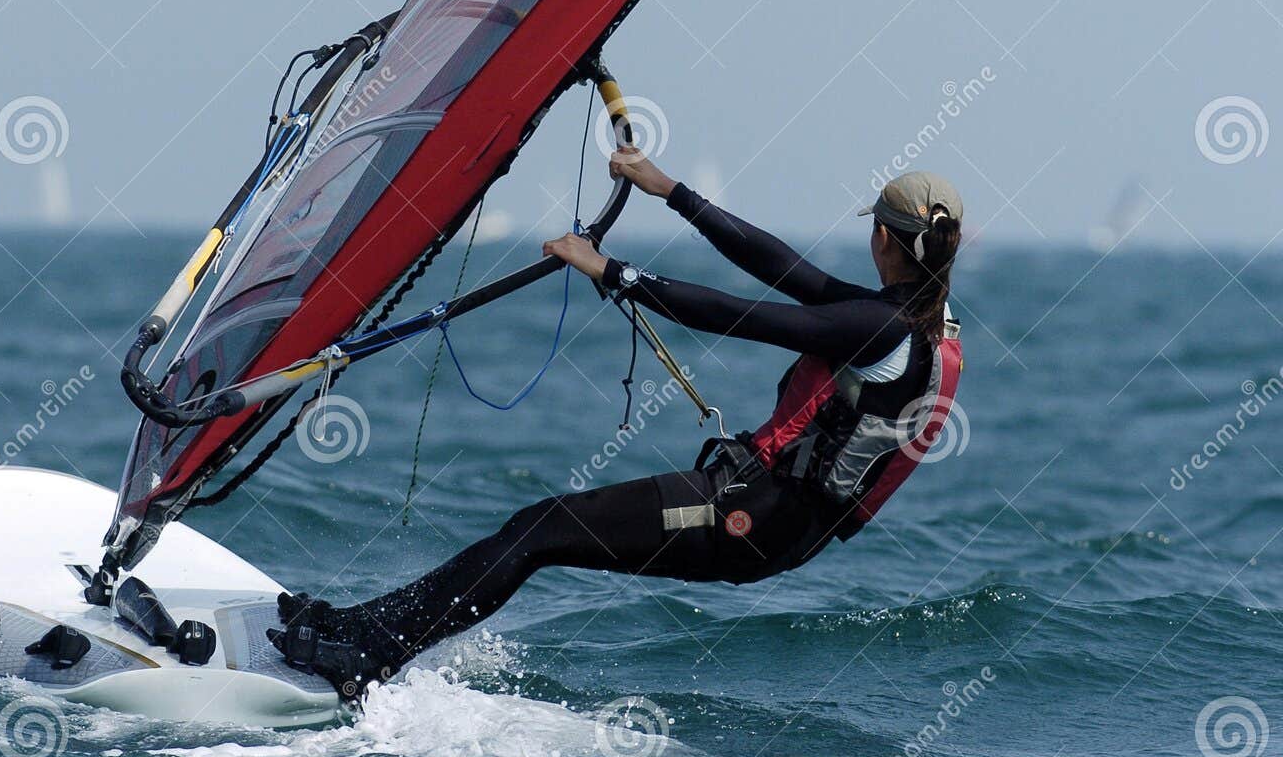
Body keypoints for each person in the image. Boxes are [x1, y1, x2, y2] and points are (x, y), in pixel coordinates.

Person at [270, 154, 966, 700]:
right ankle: (360, 627)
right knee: (539, 527)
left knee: (539, 530)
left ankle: (370, 655)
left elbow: (742, 315)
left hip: (751, 517)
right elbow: (780, 265)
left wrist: (612, 270)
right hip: (770, 520)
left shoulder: (877, 326)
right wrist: (671, 191)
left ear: (882, 236)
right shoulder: (914, 322)